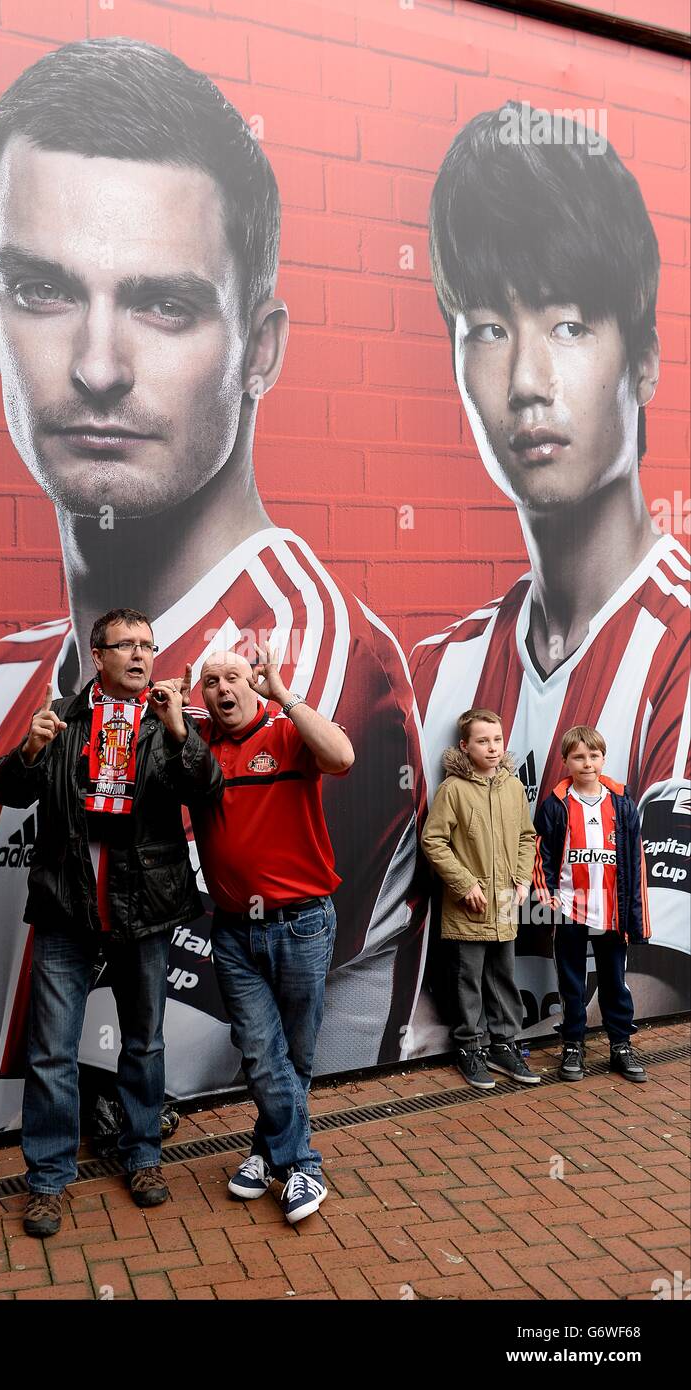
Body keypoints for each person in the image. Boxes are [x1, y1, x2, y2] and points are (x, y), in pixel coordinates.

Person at [0, 36, 428, 1164]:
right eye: (43, 288)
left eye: (160, 304)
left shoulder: (306, 659)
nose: (96, 364)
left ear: (258, 349)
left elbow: (131, 1099)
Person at [410, 100, 690, 1047]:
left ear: (642, 359)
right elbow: (396, 1000)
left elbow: (658, 995)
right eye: (487, 329)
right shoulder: (432, 675)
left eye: (569, 325)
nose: (527, 377)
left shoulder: (680, 647)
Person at [0, 607, 223, 1234]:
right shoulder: (61, 716)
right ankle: (47, 1179)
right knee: (51, 1050)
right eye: (126, 645)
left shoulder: (165, 714)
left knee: (143, 1041)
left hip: (144, 910)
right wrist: (31, 748)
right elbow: (6, 790)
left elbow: (207, 789)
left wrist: (179, 732)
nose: (141, 655)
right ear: (98, 655)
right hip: (68, 908)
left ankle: (143, 1155)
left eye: (149, 645)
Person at [189, 648, 354, 1222]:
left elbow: (341, 756)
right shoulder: (196, 744)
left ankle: (265, 1150)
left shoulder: (287, 732)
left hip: (302, 923)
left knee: (295, 1055)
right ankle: (301, 1165)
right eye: (210, 682)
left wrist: (284, 694)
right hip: (234, 930)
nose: (221, 689)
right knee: (262, 1052)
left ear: (253, 685)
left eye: (232, 677)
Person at [420, 709, 539, 1089]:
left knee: (503, 976)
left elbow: (526, 836)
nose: (491, 748)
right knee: (466, 979)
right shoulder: (453, 790)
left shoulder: (513, 787)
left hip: (504, 901)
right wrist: (464, 883)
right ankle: (469, 1048)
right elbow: (433, 841)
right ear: (465, 746)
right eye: (482, 741)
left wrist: (521, 879)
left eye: (497, 740)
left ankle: (504, 1045)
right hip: (467, 905)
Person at [533, 725, 651, 1085]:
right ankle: (572, 1043)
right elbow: (543, 852)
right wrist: (546, 889)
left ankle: (621, 1045)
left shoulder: (621, 804)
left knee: (615, 981)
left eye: (594, 755)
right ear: (566, 761)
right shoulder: (556, 805)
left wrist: (635, 915)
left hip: (611, 911)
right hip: (571, 908)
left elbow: (635, 859)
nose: (587, 763)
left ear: (603, 758)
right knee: (572, 982)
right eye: (579, 757)